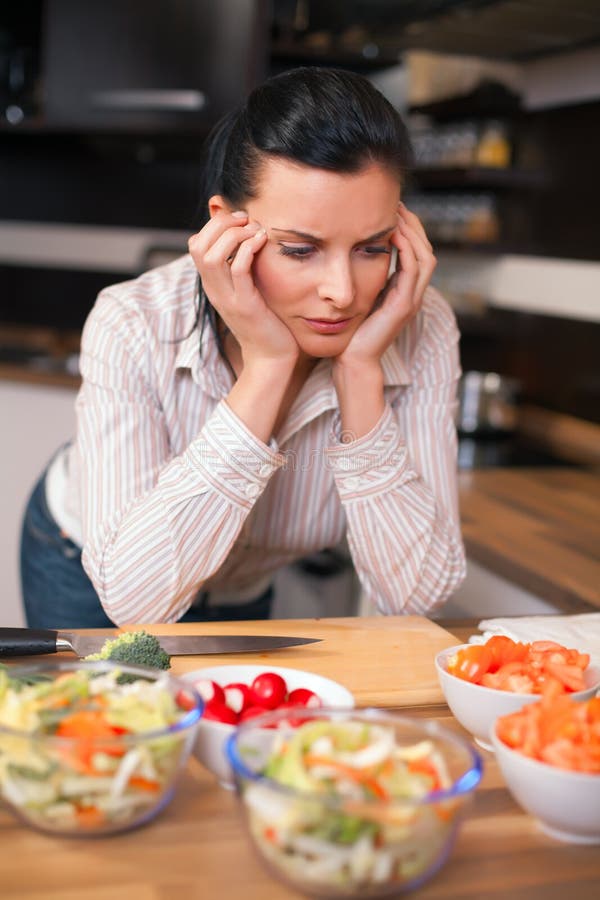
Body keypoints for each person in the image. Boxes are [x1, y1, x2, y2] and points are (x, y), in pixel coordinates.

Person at [20, 66, 466, 629]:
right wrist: (269, 367)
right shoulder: (133, 320)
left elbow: (415, 602)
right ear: (226, 229)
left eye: (372, 249)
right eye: (300, 251)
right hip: (87, 568)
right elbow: (137, 604)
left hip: (243, 587)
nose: (342, 292)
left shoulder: (420, 326)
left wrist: (360, 375)